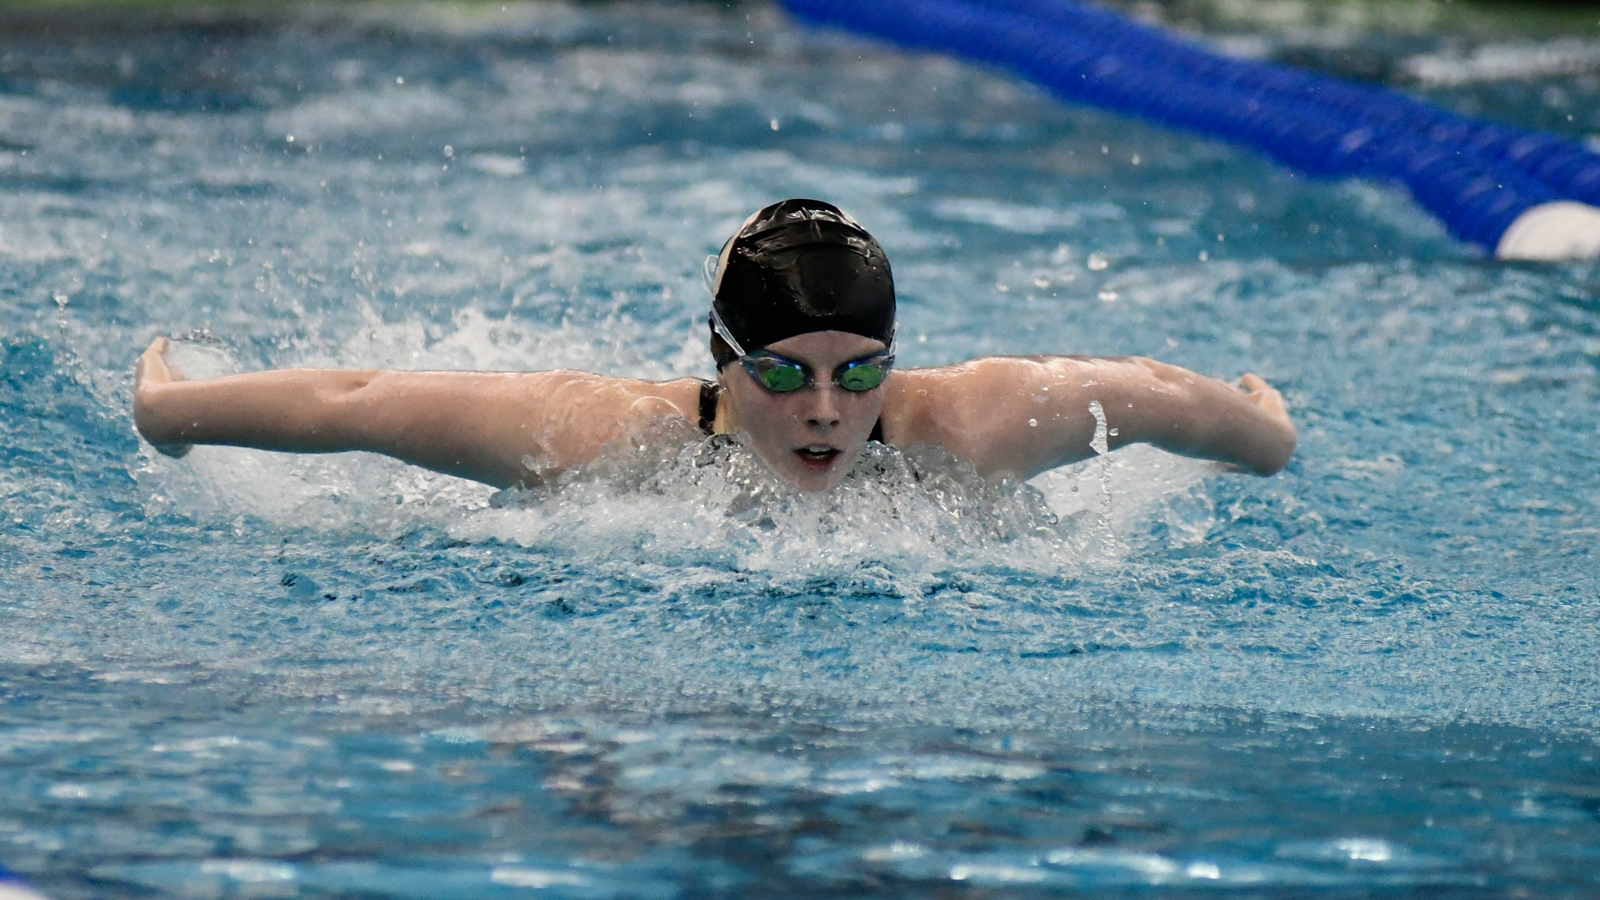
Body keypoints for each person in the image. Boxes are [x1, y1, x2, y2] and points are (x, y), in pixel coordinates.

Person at [134, 199, 1296, 494]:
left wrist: (1265, 437)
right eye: (784, 373)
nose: (827, 408)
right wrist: (171, 411)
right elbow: (360, 402)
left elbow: (1158, 396)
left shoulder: (976, 425)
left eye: (859, 371)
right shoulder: (605, 439)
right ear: (723, 362)